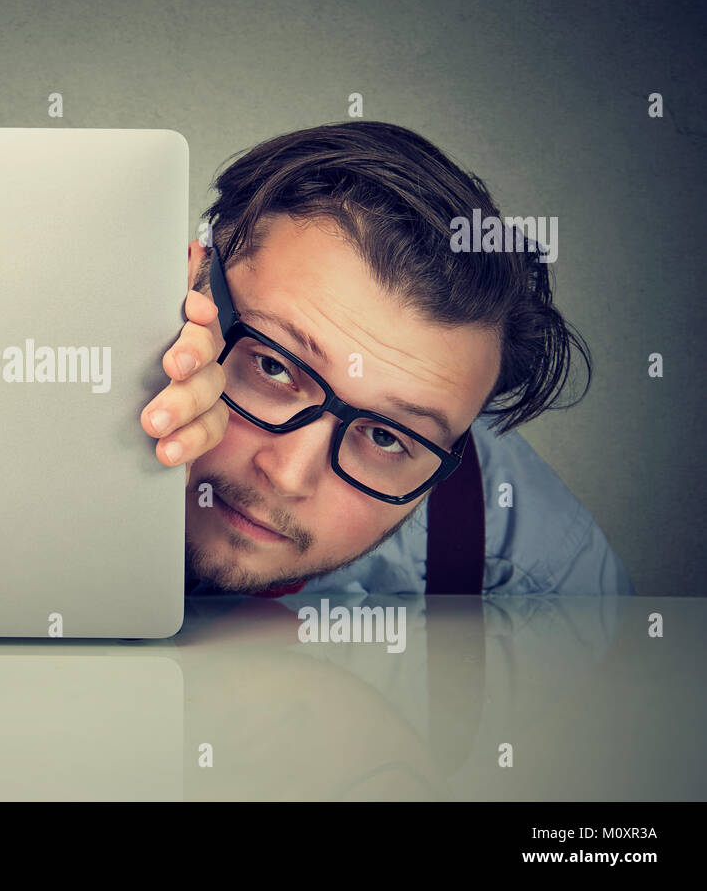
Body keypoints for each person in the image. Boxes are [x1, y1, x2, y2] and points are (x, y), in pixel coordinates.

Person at [140, 121, 633, 597]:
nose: (289, 476)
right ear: (189, 278)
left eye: (385, 437)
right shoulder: (73, 362)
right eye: (273, 366)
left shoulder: (533, 572)